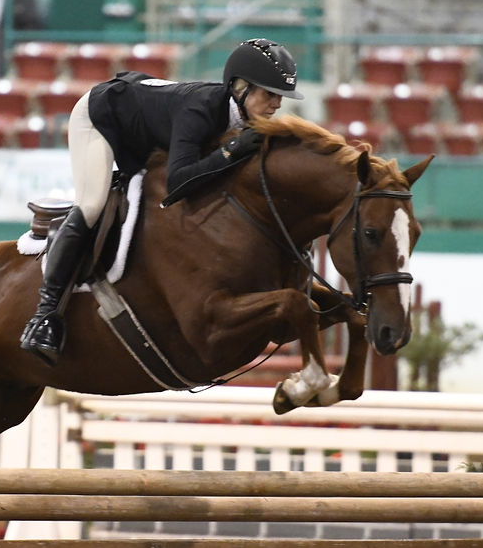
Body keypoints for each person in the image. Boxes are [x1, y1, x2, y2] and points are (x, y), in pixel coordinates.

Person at [19, 37, 305, 365]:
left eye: (280, 96)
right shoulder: (201, 110)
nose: (277, 105)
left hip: (144, 135)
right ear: (240, 88)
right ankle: (44, 317)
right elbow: (179, 181)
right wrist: (233, 150)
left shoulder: (241, 117)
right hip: (101, 116)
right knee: (93, 204)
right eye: (270, 94)